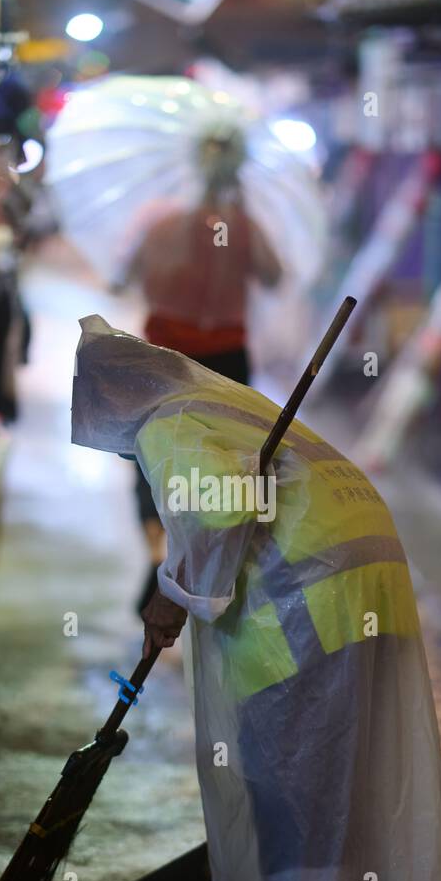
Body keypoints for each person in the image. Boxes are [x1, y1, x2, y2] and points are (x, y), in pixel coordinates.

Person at [71, 315, 441, 881]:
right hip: (363, 570)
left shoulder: (167, 424)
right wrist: (180, 586)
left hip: (308, 591)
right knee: (324, 772)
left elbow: (217, 513)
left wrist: (173, 593)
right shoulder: (227, 405)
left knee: (286, 774)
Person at [113, 125, 283, 611]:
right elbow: (274, 277)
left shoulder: (158, 221)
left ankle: (157, 550)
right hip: (227, 362)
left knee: (151, 457)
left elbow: (122, 275)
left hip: (166, 360)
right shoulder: (244, 227)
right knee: (220, 465)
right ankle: (205, 564)